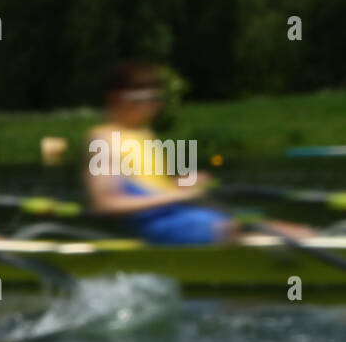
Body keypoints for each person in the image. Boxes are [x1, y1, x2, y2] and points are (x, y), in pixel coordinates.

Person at [84, 61, 313, 243]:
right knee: (255, 229)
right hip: (159, 227)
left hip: (181, 217)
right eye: (144, 99)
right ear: (116, 99)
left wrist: (181, 185)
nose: (154, 106)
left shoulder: (143, 135)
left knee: (288, 228)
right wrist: (179, 195)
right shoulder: (103, 140)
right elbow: (106, 203)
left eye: (156, 98)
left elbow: (150, 188)